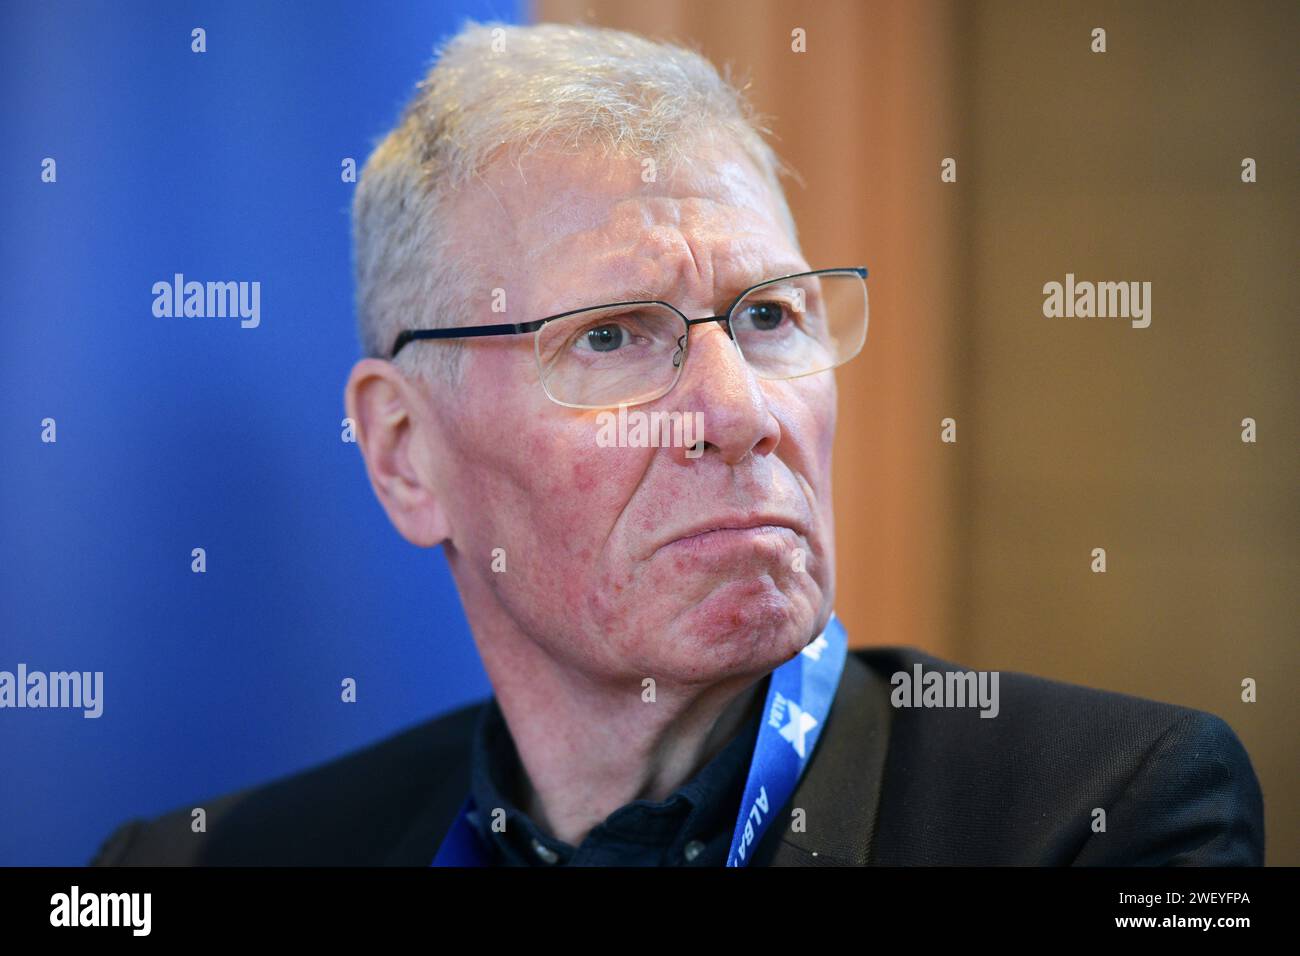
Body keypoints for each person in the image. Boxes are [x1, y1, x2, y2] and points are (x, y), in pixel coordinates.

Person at [90, 22, 1263, 867]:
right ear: (404, 450)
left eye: (768, 316)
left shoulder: (1111, 811)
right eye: (611, 336)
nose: (741, 408)